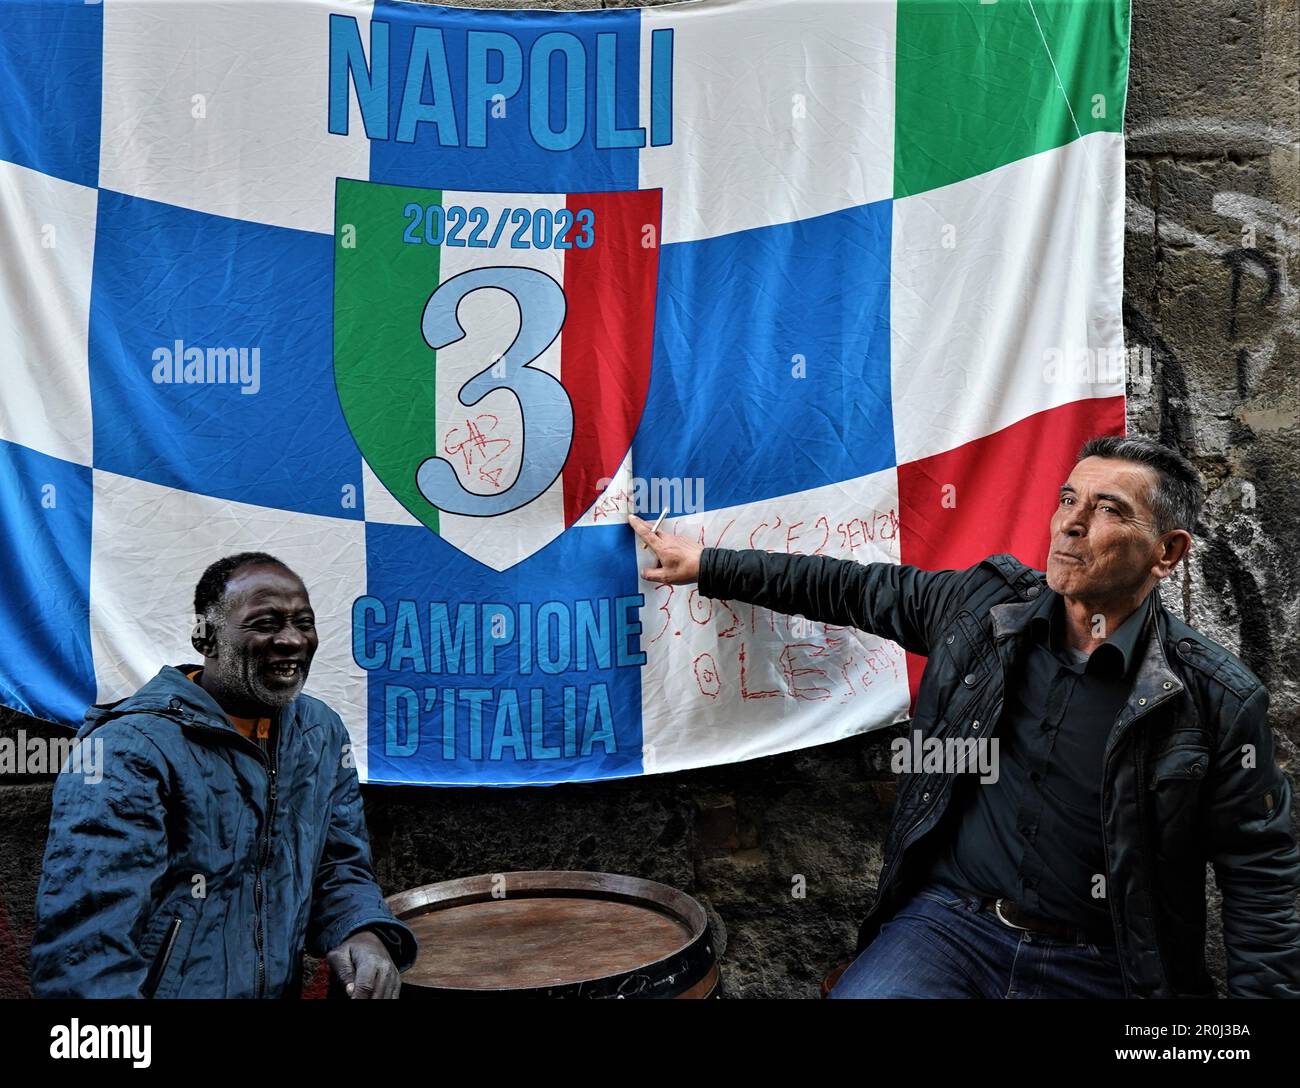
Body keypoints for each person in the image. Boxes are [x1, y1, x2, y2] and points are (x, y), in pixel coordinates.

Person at [631, 435, 1300, 998]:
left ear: (1168, 552)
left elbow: (1261, 870)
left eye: (1107, 511)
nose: (1072, 522)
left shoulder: (1211, 697)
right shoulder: (982, 613)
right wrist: (709, 565)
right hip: (952, 929)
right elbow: (853, 589)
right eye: (1069, 499)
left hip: (1110, 962)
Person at [31, 552, 416, 998]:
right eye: (265, 623)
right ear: (206, 638)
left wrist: (361, 932)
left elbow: (339, 866)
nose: (291, 640)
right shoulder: (126, 750)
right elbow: (86, 950)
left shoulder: (320, 732)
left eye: (303, 622)